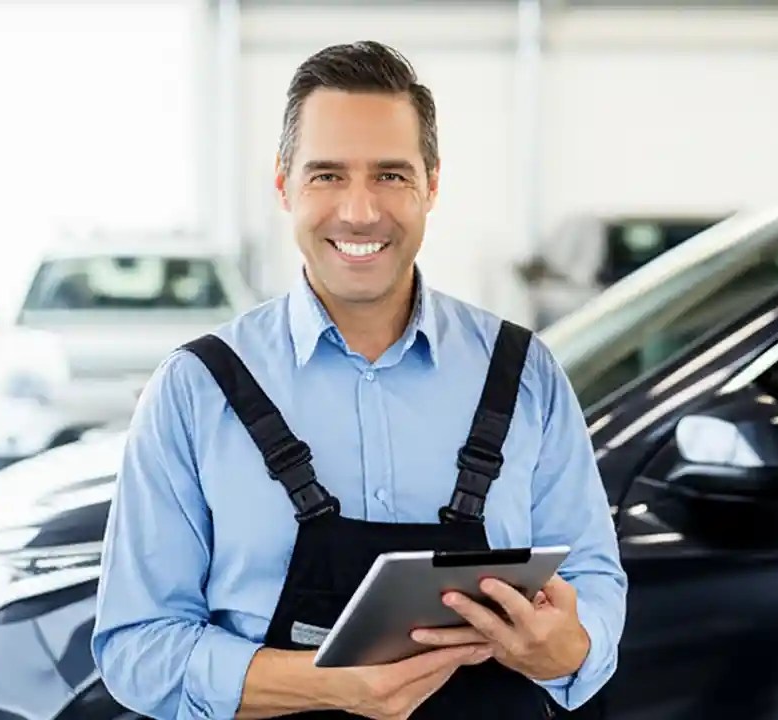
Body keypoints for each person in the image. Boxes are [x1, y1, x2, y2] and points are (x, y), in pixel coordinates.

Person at [90, 40, 626, 720]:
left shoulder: (524, 375)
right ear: (283, 184)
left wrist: (571, 649)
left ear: (433, 183)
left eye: (392, 176)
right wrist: (327, 685)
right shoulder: (195, 390)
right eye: (327, 176)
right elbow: (137, 647)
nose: (361, 211)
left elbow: (593, 584)